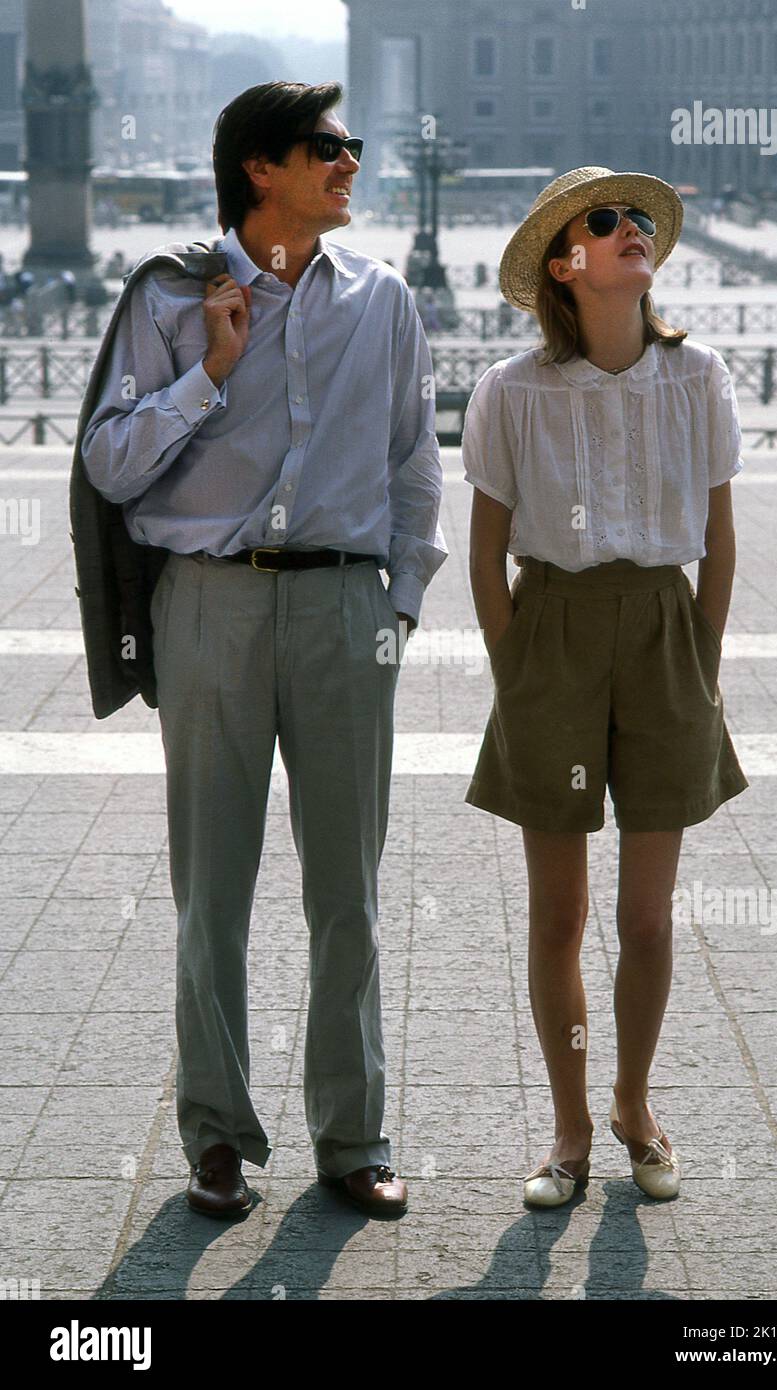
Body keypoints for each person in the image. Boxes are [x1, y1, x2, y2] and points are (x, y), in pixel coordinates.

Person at [81, 81, 447, 1219]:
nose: (348, 162)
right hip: (210, 608)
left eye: (347, 146)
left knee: (350, 890)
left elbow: (411, 461)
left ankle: (353, 1135)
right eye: (325, 148)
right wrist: (210, 375)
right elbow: (109, 462)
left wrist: (398, 605)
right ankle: (217, 1137)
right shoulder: (169, 295)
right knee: (212, 892)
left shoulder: (381, 299)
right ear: (260, 169)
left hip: (344, 610)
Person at [461, 166, 748, 1207]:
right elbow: (484, 552)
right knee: (555, 915)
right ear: (562, 263)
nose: (628, 230)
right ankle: (570, 1129)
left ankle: (633, 1104)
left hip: (664, 630)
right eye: (602, 221)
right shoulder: (509, 389)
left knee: (647, 918)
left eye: (636, 220)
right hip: (554, 631)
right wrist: (518, 672)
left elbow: (717, 542)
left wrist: (699, 661)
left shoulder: (697, 373)